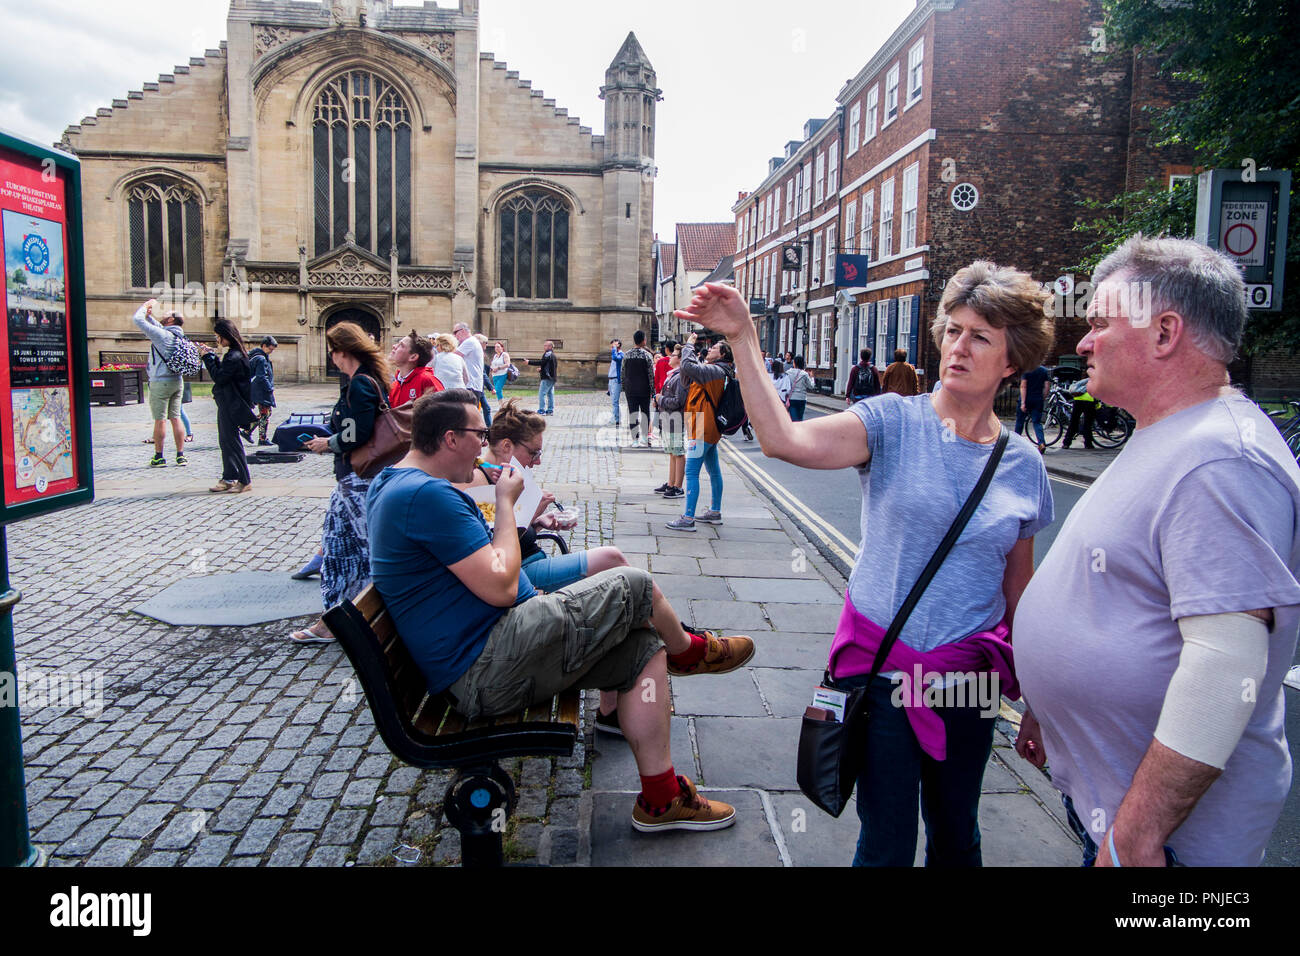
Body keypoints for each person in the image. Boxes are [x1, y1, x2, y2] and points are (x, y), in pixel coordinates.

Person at [677, 264, 1055, 867]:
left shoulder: (1023, 464)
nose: (959, 346)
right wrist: (745, 338)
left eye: (981, 336)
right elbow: (782, 440)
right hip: (884, 675)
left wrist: (1037, 697)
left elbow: (1019, 590)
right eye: (953, 330)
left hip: (969, 684)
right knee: (885, 840)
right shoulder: (891, 422)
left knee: (959, 835)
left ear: (1014, 361)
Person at [1014, 235, 1300, 868]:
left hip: (1168, 847)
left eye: (1099, 323)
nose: (1083, 342)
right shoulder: (1173, 435)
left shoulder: (1220, 460)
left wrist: (1134, 841)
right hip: (1113, 801)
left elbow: (1226, 669)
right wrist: (1051, 712)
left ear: (1165, 331)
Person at [367, 388, 756, 831]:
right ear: (451, 439)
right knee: (633, 584)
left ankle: (662, 799)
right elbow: (501, 586)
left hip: (489, 651)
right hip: (485, 664)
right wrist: (507, 504)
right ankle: (690, 651)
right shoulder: (425, 496)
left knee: (644, 648)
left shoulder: (397, 482)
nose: (483, 444)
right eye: (478, 434)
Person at [291, 322, 392, 644]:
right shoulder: (363, 381)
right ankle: (337, 618)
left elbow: (356, 433)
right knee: (338, 549)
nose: (330, 356)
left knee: (368, 550)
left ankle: (384, 621)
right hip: (351, 479)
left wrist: (328, 443)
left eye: (331, 350)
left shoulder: (360, 384)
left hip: (359, 478)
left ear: (342, 351)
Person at [665, 333, 734, 532]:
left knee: (691, 472)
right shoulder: (722, 371)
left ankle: (688, 518)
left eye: (714, 348)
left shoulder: (714, 371)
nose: (710, 349)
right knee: (714, 471)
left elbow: (687, 367)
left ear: (722, 354)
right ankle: (714, 511)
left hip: (702, 426)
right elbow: (688, 378)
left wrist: (689, 345)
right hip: (710, 426)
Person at [199, 319, 256, 493]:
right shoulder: (235, 354)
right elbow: (224, 375)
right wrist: (213, 357)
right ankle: (229, 477)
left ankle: (244, 480)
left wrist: (207, 358)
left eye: (218, 337)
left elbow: (220, 378)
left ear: (226, 336)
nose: (217, 340)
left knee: (231, 442)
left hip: (231, 404)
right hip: (229, 402)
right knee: (226, 441)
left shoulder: (234, 356)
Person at [132, 301, 188, 467]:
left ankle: (159, 457)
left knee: (160, 420)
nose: (163, 316)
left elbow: (137, 320)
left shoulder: (163, 336)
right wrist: (150, 317)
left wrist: (144, 307)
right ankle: (180, 456)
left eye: (167, 315)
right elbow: (158, 327)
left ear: (171, 320)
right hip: (177, 381)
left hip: (160, 382)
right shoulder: (179, 335)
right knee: (176, 418)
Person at [653, 343, 686, 498]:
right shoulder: (673, 374)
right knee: (672, 453)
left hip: (676, 419)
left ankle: (678, 487)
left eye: (673, 355)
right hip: (669, 418)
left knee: (678, 453)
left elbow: (678, 401)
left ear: (680, 359)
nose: (670, 357)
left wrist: (660, 399)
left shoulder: (680, 377)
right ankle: (671, 483)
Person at [388, 332, 442, 407]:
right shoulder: (396, 384)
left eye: (401, 345)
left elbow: (443, 412)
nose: (394, 346)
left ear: (413, 357)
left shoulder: (427, 380)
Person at [452, 322, 490, 428]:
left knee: (467, 417)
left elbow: (454, 356)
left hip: (470, 385)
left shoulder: (469, 342)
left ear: (463, 330)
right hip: (472, 384)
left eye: (455, 332)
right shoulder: (472, 342)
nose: (455, 336)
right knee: (468, 416)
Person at [622, 330, 655, 447]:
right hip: (644, 389)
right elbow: (651, 375)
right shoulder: (647, 355)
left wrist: (624, 387)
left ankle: (635, 440)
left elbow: (623, 373)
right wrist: (653, 391)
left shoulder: (627, 354)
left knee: (633, 414)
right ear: (643, 340)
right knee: (645, 413)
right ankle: (645, 438)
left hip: (631, 389)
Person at [246, 335, 278, 446]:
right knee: (265, 413)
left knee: (265, 413)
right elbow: (261, 376)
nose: (271, 351)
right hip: (262, 390)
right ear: (264, 346)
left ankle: (249, 432)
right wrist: (269, 388)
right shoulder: (260, 358)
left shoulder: (259, 356)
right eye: (270, 349)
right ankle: (260, 437)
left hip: (259, 389)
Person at [1015, 362, 1050, 453]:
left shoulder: (1026, 370)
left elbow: (1023, 386)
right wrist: (1043, 397)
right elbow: (1047, 386)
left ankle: (1015, 443)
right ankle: (1041, 443)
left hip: (1026, 398)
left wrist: (1023, 402)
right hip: (1037, 398)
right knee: (1037, 422)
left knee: (1020, 422)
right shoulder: (1044, 371)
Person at [1060, 377, 1098, 449]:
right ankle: (1088, 443)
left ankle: (1066, 443)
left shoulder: (1084, 380)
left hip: (1078, 400)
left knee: (1073, 421)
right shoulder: (1095, 380)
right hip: (1089, 401)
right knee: (1088, 423)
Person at [785, 355, 814, 421]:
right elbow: (811, 386)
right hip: (801, 398)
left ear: (794, 363)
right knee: (800, 418)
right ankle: (799, 430)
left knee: (793, 419)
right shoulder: (804, 374)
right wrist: (812, 378)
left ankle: (795, 430)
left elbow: (786, 385)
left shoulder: (788, 373)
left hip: (792, 398)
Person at [536, 340, 557, 415]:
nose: (545, 347)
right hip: (552, 378)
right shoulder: (553, 355)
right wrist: (541, 369)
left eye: (546, 345)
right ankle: (550, 410)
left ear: (551, 347)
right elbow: (550, 366)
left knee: (542, 394)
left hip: (547, 378)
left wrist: (529, 362)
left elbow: (542, 362)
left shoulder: (548, 354)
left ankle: (542, 410)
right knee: (550, 394)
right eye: (544, 345)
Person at [606, 339, 624, 426]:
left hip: (616, 380)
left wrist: (614, 349)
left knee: (615, 401)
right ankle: (617, 417)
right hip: (611, 380)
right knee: (614, 401)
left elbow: (616, 358)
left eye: (612, 346)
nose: (611, 348)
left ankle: (616, 419)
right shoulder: (615, 354)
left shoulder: (620, 354)